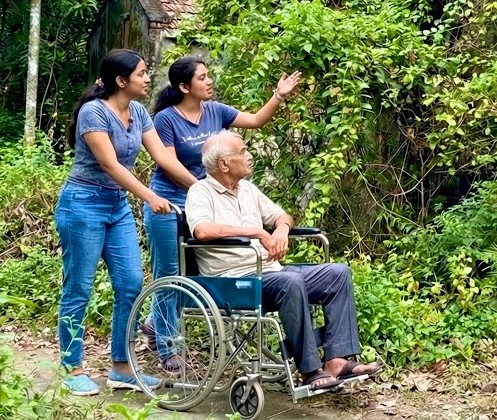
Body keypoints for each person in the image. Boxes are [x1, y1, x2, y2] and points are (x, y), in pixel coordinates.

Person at [185, 131, 381, 391]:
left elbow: (282, 215)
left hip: (270, 271)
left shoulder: (248, 190)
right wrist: (256, 232)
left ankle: (336, 361)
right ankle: (309, 370)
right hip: (235, 280)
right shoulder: (200, 191)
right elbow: (202, 230)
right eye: (243, 152)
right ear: (223, 164)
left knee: (337, 273)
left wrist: (281, 230)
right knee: (290, 281)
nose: (249, 156)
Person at [141, 56, 302, 370]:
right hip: (170, 204)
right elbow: (168, 163)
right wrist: (205, 189)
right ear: (184, 87)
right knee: (172, 273)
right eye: (202, 77)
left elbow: (255, 120)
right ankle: (167, 346)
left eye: (208, 75)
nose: (209, 81)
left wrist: (278, 95)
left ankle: (154, 323)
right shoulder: (166, 119)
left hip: (208, 198)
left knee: (201, 272)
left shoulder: (215, 110)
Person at [55, 49, 179, 397]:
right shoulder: (94, 112)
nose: (148, 78)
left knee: (131, 284)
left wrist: (201, 186)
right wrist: (150, 197)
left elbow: (162, 156)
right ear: (121, 81)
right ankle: (72, 367)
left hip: (117, 206)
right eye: (141, 73)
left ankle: (122, 368)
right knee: (79, 287)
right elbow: (111, 165)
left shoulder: (138, 112)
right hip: (82, 204)